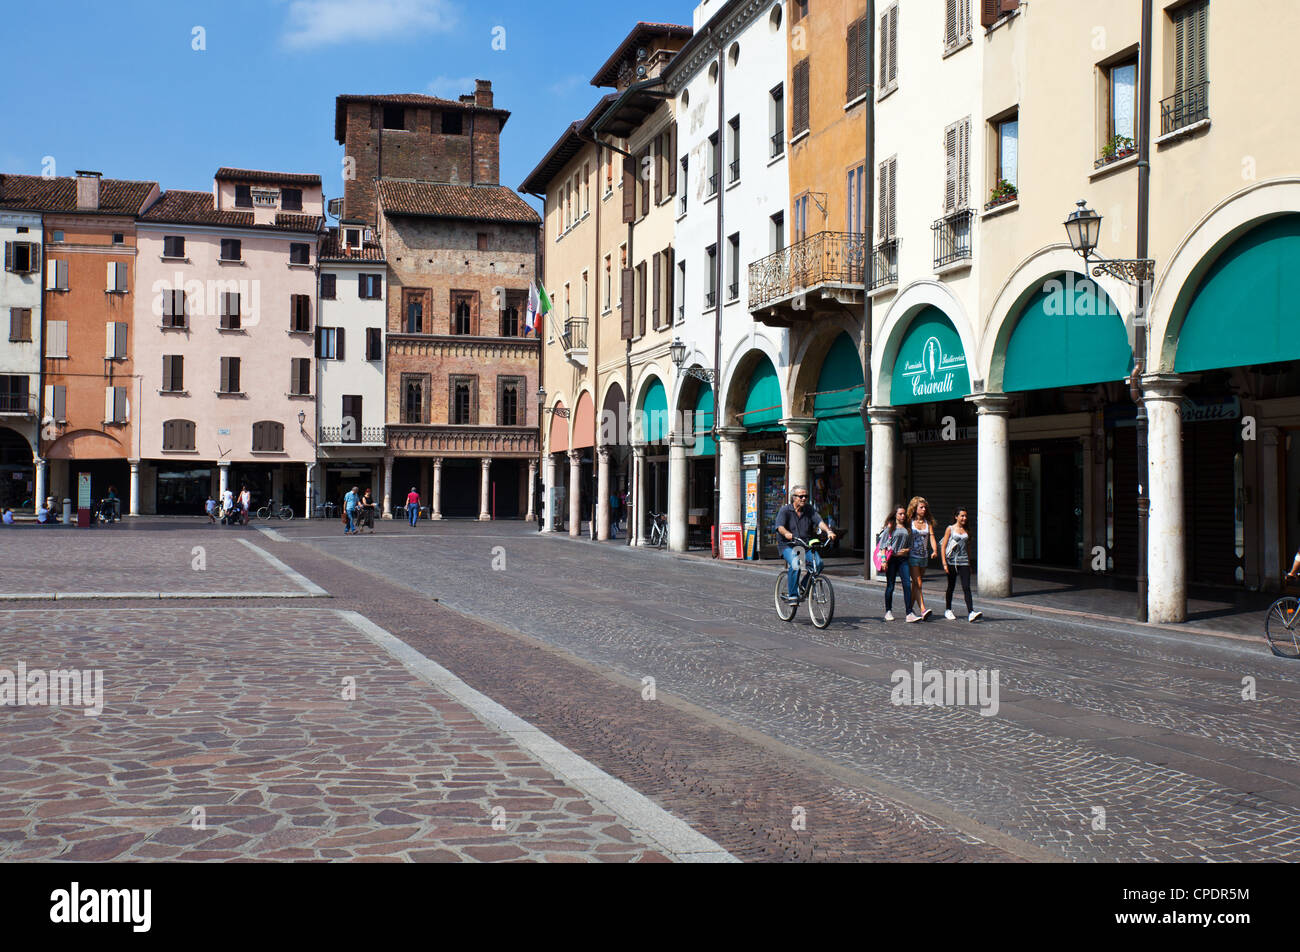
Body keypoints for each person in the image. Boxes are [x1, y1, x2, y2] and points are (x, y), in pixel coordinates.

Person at [774, 485, 836, 602]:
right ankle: (793, 595)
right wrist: (787, 533)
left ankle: (803, 585)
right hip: (788, 545)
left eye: (806, 496)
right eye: (801, 496)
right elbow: (780, 527)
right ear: (794, 497)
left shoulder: (809, 509)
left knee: (818, 564)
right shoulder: (785, 510)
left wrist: (828, 531)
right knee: (795, 563)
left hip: (804, 544)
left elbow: (819, 521)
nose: (804, 499)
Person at [940, 507, 983, 623]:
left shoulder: (966, 530)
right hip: (951, 562)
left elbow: (968, 547)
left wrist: (969, 563)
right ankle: (948, 609)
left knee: (966, 587)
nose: (964, 518)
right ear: (956, 517)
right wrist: (944, 563)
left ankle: (971, 612)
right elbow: (943, 546)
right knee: (951, 586)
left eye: (965, 516)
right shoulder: (950, 529)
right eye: (962, 516)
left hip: (963, 561)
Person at [878, 504, 914, 622]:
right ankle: (888, 611)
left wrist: (906, 550)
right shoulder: (890, 528)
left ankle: (909, 613)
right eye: (900, 514)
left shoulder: (908, 528)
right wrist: (884, 560)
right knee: (890, 585)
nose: (903, 516)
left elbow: (910, 545)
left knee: (907, 585)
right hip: (892, 559)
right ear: (895, 515)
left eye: (904, 514)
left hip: (903, 560)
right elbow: (882, 545)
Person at [907, 496, 938, 620]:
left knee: (915, 585)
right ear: (915, 509)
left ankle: (909, 608)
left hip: (924, 556)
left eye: (925, 507)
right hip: (912, 556)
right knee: (918, 583)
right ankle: (923, 610)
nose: (924, 509)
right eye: (921, 507)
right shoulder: (909, 522)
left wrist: (935, 550)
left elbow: (931, 537)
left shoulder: (927, 522)